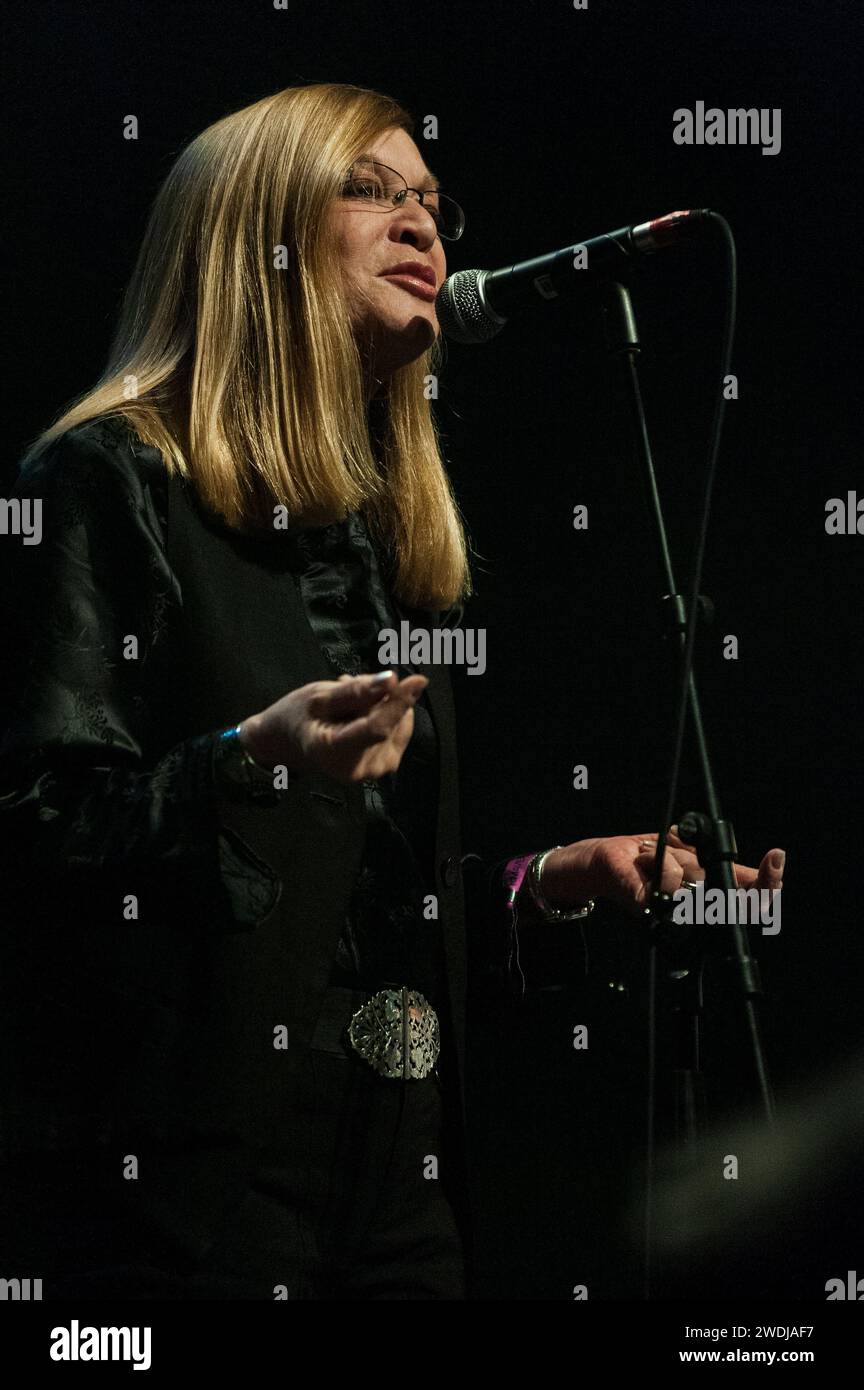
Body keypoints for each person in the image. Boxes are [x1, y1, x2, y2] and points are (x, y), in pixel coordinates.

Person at [0, 81, 785, 1300]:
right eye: (367, 189)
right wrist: (252, 759)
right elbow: (31, 830)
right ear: (248, 233)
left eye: (429, 199)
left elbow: (356, 911)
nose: (421, 223)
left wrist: (551, 886)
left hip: (403, 1183)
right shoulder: (109, 479)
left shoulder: (390, 548)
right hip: (185, 1186)